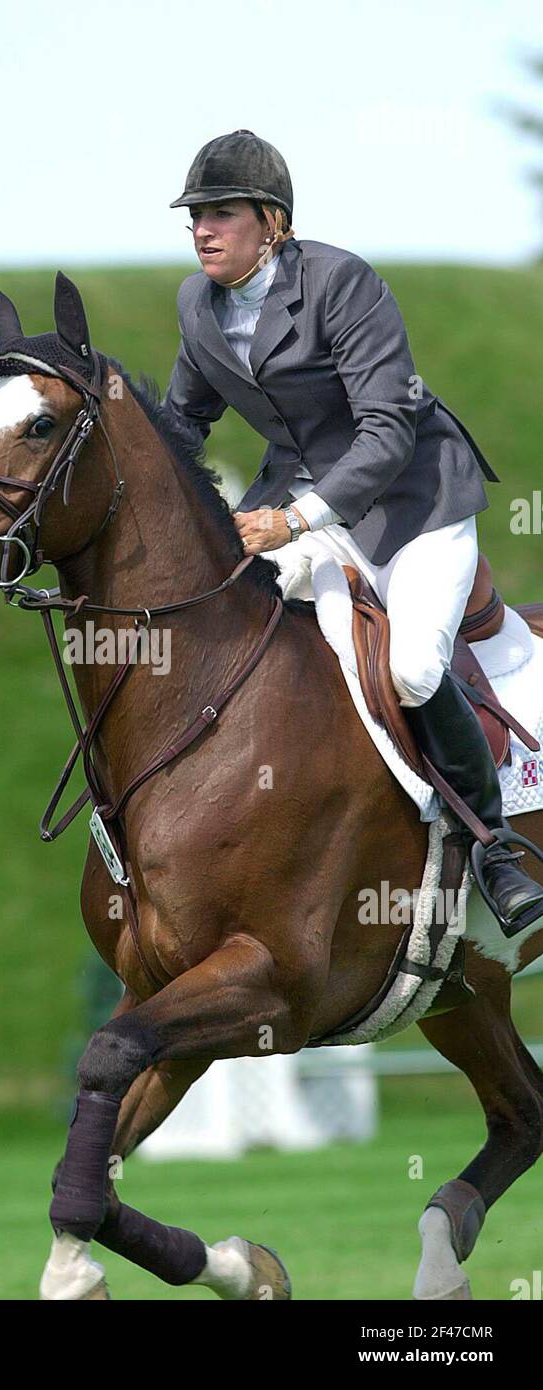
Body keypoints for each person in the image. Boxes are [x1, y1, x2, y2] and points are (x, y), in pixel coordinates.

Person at [164, 128, 543, 936]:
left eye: (221, 214)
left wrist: (292, 519)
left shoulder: (341, 282)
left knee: (409, 666)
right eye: (195, 215)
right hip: (301, 503)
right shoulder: (198, 304)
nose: (202, 229)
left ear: (273, 222)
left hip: (412, 502)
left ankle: (494, 849)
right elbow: (183, 423)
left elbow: (385, 431)